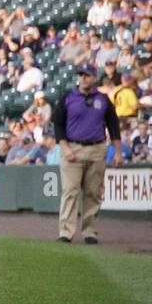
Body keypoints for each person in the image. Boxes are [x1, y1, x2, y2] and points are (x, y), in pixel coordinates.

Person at [51, 63, 121, 244]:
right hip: (73, 148)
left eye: (87, 75)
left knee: (93, 192)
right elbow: (57, 124)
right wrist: (65, 148)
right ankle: (66, 232)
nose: (83, 78)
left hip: (97, 148)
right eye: (80, 74)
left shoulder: (103, 99)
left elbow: (114, 126)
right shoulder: (68, 97)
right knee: (70, 191)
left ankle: (90, 231)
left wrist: (118, 152)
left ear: (94, 78)